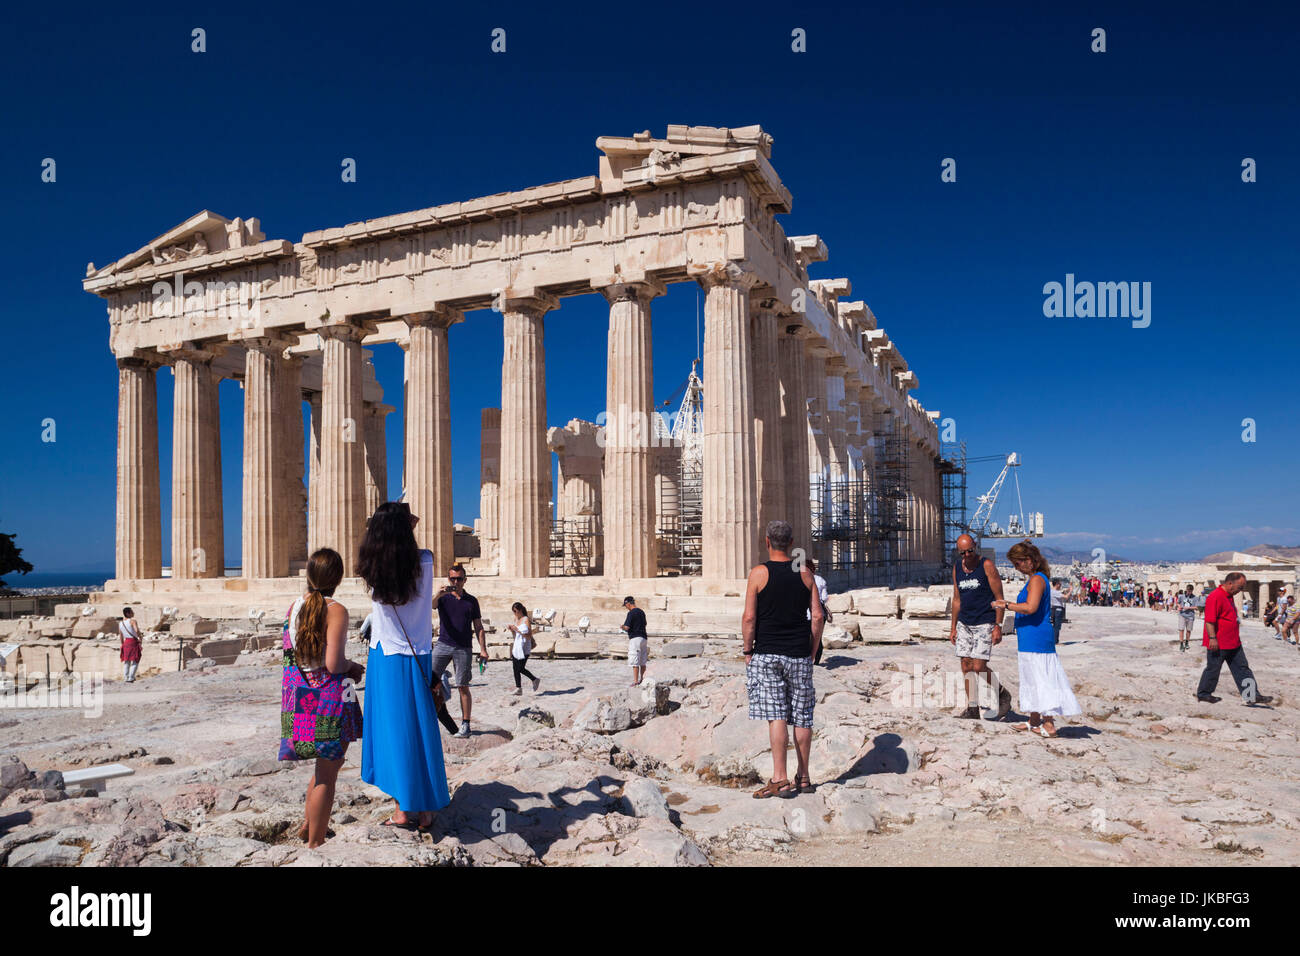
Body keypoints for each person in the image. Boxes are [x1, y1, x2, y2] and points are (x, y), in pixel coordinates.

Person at [358, 502, 450, 830]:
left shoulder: (371, 568)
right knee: (419, 729)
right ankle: (425, 809)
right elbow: (410, 542)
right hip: (418, 654)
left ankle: (401, 809)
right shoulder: (424, 561)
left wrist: (388, 527)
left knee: (393, 732)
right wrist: (405, 524)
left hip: (385, 656)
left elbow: (383, 545)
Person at [279, 548, 365, 848]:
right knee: (328, 772)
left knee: (324, 767)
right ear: (339, 577)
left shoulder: (294, 607)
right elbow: (332, 664)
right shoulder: (336, 609)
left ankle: (308, 824)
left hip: (298, 697)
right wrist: (353, 667)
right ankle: (315, 844)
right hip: (329, 699)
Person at [742, 519, 824, 798]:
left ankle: (779, 778)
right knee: (802, 716)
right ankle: (803, 776)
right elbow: (818, 616)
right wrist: (813, 649)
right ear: (791, 543)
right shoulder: (804, 574)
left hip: (766, 653)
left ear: (767, 542)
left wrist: (747, 650)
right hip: (799, 653)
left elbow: (749, 617)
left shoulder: (758, 573)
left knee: (776, 715)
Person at [994, 540, 1080, 738]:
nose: (1016, 568)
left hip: (1037, 636)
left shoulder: (1037, 580)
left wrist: (1005, 605)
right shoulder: (1035, 579)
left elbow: (1030, 607)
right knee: (1031, 678)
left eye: (1018, 563)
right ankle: (1034, 720)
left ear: (1030, 561)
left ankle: (1049, 724)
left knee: (1042, 678)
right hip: (1029, 636)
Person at [948, 533, 1011, 720]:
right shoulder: (957, 568)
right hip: (964, 623)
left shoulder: (987, 566)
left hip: (985, 621)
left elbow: (999, 597)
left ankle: (1002, 694)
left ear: (975, 547)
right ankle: (972, 707)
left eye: (970, 551)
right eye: (963, 553)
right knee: (965, 666)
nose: (967, 555)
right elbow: (957, 599)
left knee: (978, 666)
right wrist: (953, 627)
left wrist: (998, 625)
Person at [1196, 572, 1273, 705]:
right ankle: (1204, 694)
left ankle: (1251, 695)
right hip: (1218, 642)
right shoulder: (1215, 596)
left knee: (1243, 669)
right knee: (1213, 669)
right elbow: (1209, 621)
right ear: (1230, 583)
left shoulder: (1229, 596)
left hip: (1233, 642)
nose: (1240, 591)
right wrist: (1212, 638)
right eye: (1240, 587)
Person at [432, 563, 488, 737]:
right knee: (426, 680)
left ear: (465, 580)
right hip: (443, 644)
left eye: (459, 579)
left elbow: (478, 626)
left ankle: (466, 724)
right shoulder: (443, 598)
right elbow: (431, 605)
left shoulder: (471, 601)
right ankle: (434, 712)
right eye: (452, 578)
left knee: (463, 686)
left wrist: (483, 649)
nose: (456, 582)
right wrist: (439, 593)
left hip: (463, 648)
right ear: (449, 579)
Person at [508, 602, 540, 696]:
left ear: (520, 610)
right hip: (517, 646)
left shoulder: (526, 619)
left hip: (524, 647)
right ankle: (519, 688)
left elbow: (529, 636)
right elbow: (515, 636)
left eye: (515, 611)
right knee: (515, 668)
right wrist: (512, 630)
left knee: (520, 668)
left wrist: (517, 630)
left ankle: (534, 679)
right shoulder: (516, 619)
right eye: (513, 611)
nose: (514, 613)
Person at [806, 558, 831, 665]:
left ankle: (806, 659)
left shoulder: (801, 578)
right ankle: (816, 661)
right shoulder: (820, 580)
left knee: (806, 636)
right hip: (820, 612)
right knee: (817, 637)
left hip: (805, 613)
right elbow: (825, 598)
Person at [621, 596, 649, 686]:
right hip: (644, 638)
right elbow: (645, 623)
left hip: (635, 638)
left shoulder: (631, 613)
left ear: (628, 604)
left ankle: (636, 681)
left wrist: (622, 627)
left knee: (635, 659)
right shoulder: (642, 612)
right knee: (643, 660)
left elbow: (627, 627)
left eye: (626, 606)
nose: (626, 607)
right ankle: (643, 679)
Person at [119, 607, 142, 683]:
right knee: (136, 659)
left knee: (127, 661)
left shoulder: (121, 623)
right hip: (133, 641)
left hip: (126, 642)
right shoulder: (133, 621)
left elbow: (121, 636)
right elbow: (136, 630)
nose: (133, 613)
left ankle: (126, 677)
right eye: (132, 612)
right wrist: (140, 637)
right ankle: (131, 677)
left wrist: (122, 644)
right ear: (128, 613)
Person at [1176, 585, 1197, 652]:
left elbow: (1196, 607)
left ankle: (1187, 642)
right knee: (1181, 629)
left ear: (1192, 591)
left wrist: (1188, 608)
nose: (1189, 592)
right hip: (1182, 615)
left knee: (1188, 630)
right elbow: (1178, 603)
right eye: (1188, 591)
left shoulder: (1195, 598)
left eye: (1190, 591)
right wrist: (1179, 607)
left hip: (1190, 616)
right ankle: (1181, 644)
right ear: (1186, 589)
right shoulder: (1181, 596)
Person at [1049, 577, 1066, 645]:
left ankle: (1053, 640)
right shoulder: (1056, 592)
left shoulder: (1051, 591)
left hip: (1052, 608)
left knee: (1054, 625)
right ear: (1057, 584)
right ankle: (1055, 641)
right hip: (1058, 609)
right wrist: (1070, 591)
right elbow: (1066, 597)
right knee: (1057, 626)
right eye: (1060, 584)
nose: (1060, 585)